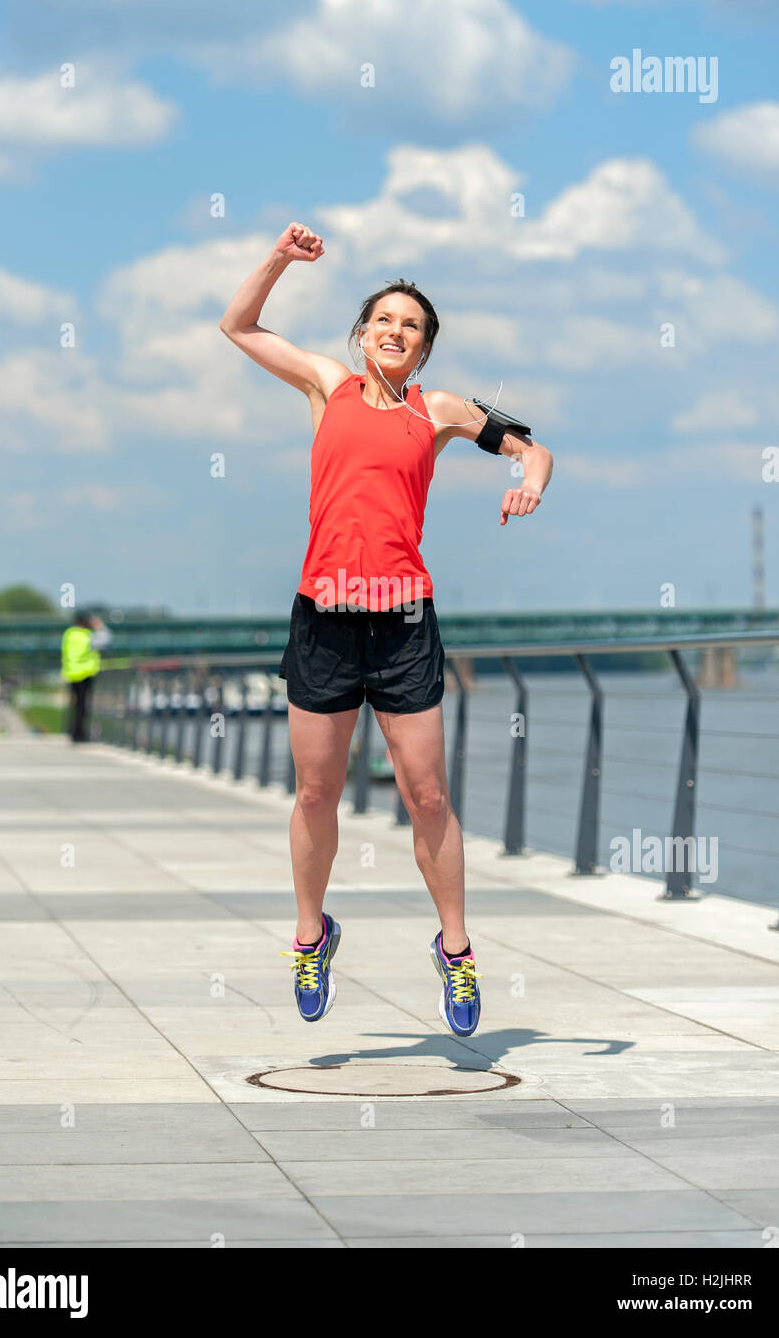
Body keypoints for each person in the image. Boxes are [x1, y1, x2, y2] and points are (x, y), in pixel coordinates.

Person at [219, 222, 553, 1036]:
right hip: (323, 618)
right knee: (314, 791)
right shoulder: (324, 385)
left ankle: (457, 951)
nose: (395, 331)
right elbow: (239, 326)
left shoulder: (436, 410)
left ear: (423, 348)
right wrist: (278, 259)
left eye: (411, 325)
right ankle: (310, 934)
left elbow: (529, 448)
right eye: (383, 320)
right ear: (361, 334)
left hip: (402, 620)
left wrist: (528, 482)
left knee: (426, 793)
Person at [60, 611, 111, 743]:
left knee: (75, 705)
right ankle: (79, 734)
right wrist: (99, 626)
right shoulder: (87, 636)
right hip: (85, 673)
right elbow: (106, 640)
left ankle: (73, 732)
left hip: (72, 673)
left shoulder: (69, 635)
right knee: (83, 706)